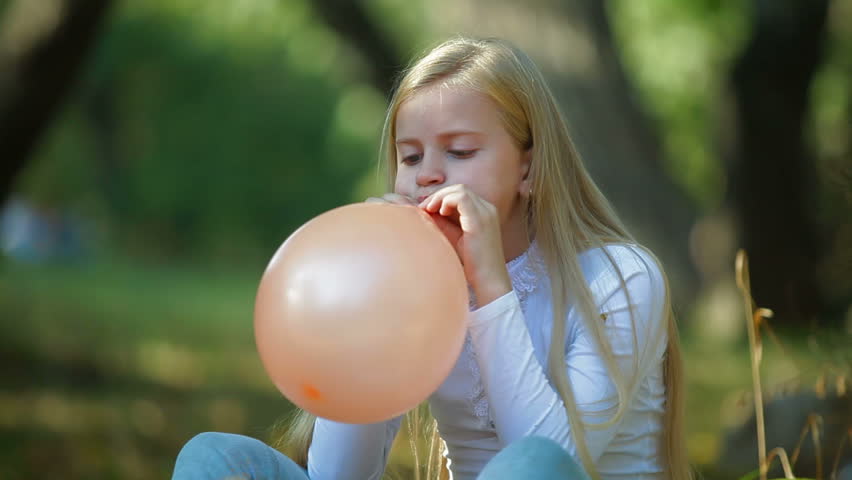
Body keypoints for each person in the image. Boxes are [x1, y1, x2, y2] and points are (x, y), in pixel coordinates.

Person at [172, 36, 691, 480]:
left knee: (530, 461)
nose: (427, 176)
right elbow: (338, 475)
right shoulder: (423, 284)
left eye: (460, 151)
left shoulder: (621, 277)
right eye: (412, 156)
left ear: (529, 170)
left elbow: (550, 462)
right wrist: (376, 296)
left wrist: (490, 284)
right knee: (212, 458)